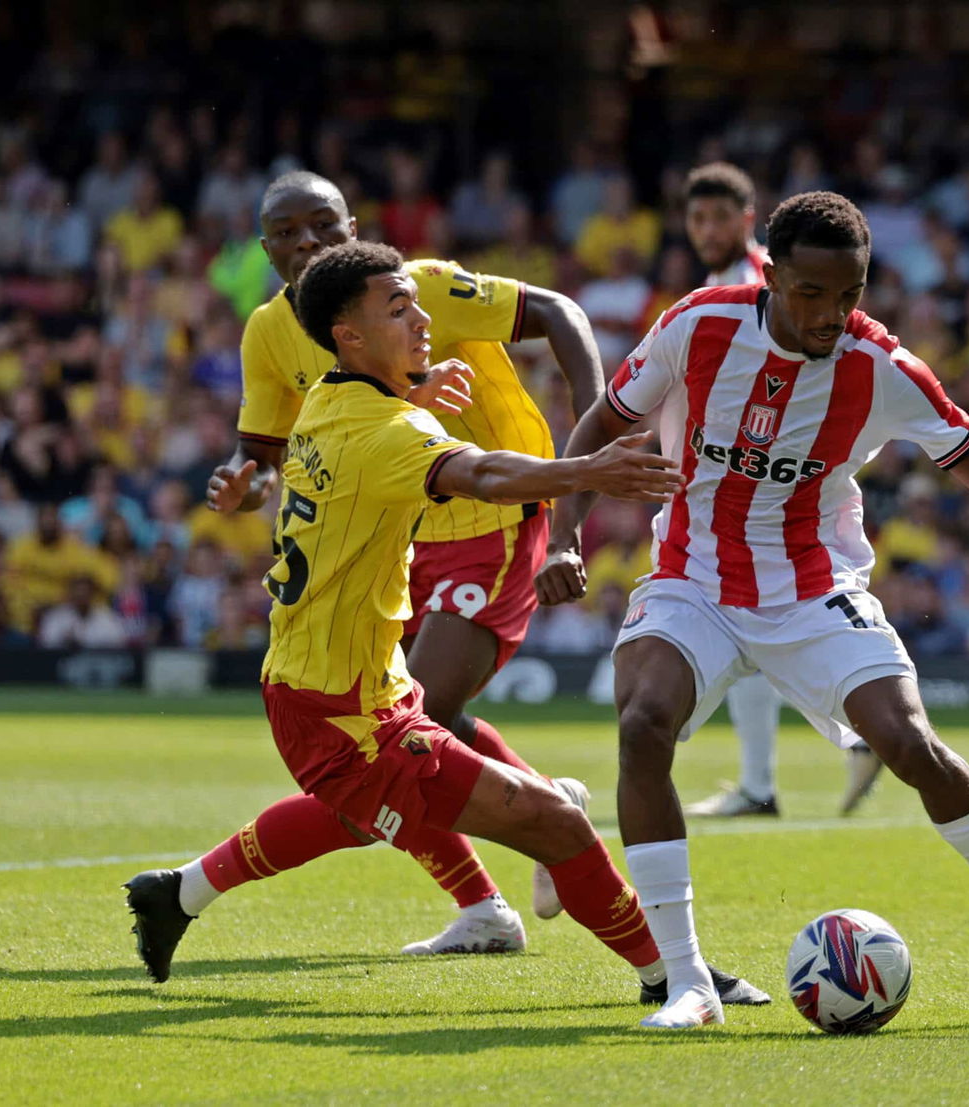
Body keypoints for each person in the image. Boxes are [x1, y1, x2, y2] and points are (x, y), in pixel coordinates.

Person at [536, 192, 969, 1029]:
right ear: (772, 275)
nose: (831, 314)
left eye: (849, 294)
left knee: (908, 741)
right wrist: (563, 537)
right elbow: (602, 422)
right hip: (693, 579)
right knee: (643, 722)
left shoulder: (883, 368)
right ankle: (688, 981)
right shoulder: (697, 324)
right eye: (811, 293)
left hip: (813, 587)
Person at [123, 241, 765, 1012]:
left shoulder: (326, 400)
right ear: (348, 336)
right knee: (555, 821)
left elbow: (369, 437)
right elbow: (484, 474)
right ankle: (671, 974)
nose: (423, 318)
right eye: (399, 309)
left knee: (368, 812)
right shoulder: (384, 432)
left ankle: (180, 893)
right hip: (343, 713)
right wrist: (587, 471)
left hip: (333, 686)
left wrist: (414, 390)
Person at [139, 171, 623, 965]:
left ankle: (547, 833)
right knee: (400, 738)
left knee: (405, 732)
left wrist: (591, 435)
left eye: (322, 226)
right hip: (397, 539)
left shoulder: (419, 287)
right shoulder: (269, 332)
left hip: (494, 519)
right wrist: (243, 483)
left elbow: (559, 312)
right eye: (286, 233)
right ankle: (498, 884)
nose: (306, 242)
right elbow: (264, 454)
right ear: (265, 249)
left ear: (352, 226)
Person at [674, 162, 885, 820]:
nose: (707, 229)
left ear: (747, 221)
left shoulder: (764, 287)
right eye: (697, 218)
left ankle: (783, 771)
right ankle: (802, 761)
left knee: (747, 621)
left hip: (760, 489)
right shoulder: (716, 290)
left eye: (719, 217)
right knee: (754, 634)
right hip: (731, 480)